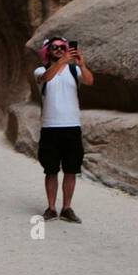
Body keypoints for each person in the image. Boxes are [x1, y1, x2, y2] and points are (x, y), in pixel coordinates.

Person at [33, 36, 95, 223]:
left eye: (63, 47)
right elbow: (46, 78)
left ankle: (66, 208)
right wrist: (61, 62)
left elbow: (90, 81)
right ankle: (51, 208)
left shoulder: (73, 70)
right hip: (50, 126)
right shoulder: (41, 70)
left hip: (72, 126)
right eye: (55, 47)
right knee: (50, 169)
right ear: (47, 51)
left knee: (71, 169)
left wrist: (82, 65)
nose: (59, 49)